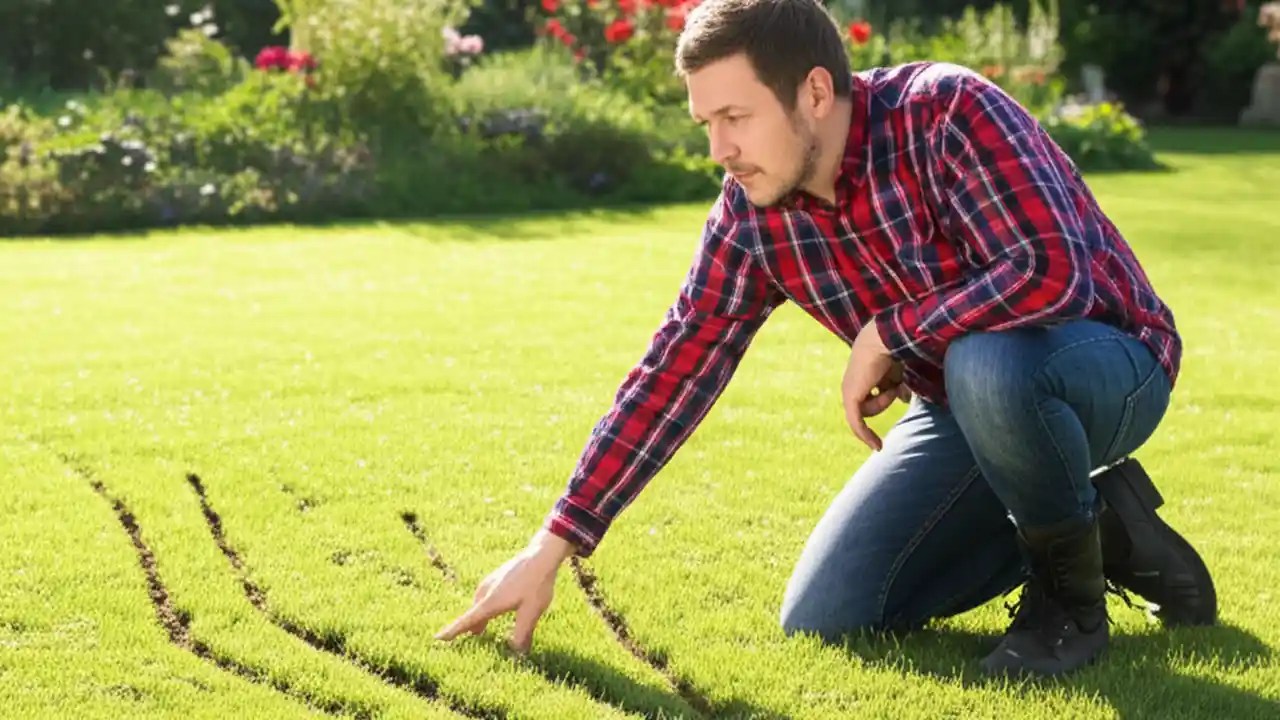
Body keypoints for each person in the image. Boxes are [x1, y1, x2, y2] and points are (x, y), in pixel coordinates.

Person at [436, 0, 1216, 676]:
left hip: (1109, 363)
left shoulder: (944, 111)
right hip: (961, 408)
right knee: (828, 615)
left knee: (987, 360)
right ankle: (1102, 526)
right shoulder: (750, 216)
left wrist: (890, 331)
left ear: (813, 92)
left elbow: (1051, 274)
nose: (718, 150)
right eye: (707, 124)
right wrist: (553, 544)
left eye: (736, 118)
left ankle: (1068, 610)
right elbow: (678, 364)